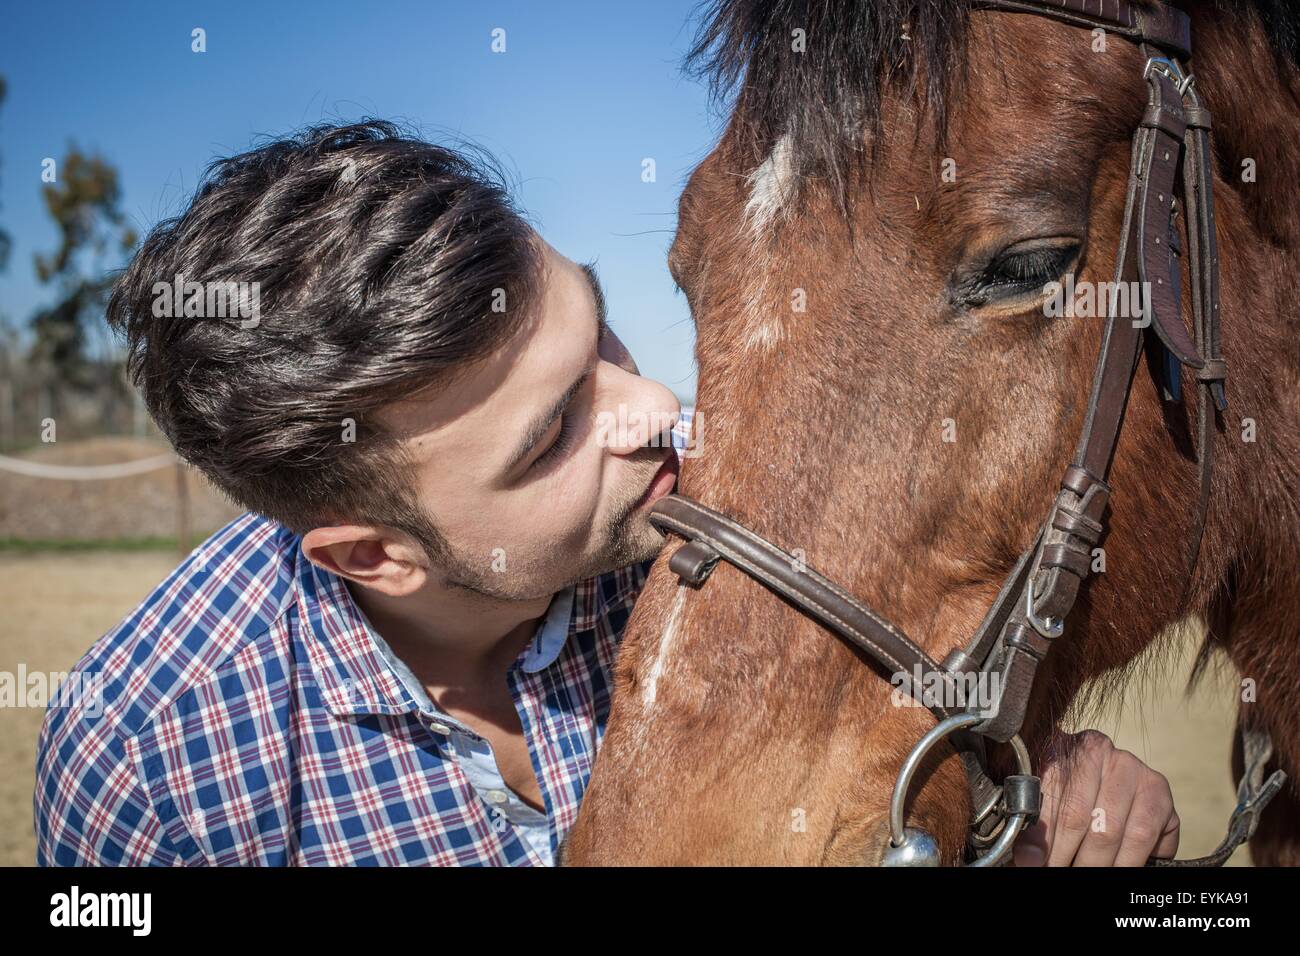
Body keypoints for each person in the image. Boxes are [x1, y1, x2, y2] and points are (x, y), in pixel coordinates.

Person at [34, 121, 1179, 866]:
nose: (653, 407)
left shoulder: (735, 533)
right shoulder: (151, 756)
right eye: (550, 437)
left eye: (602, 338)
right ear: (374, 555)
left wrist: (1038, 797)